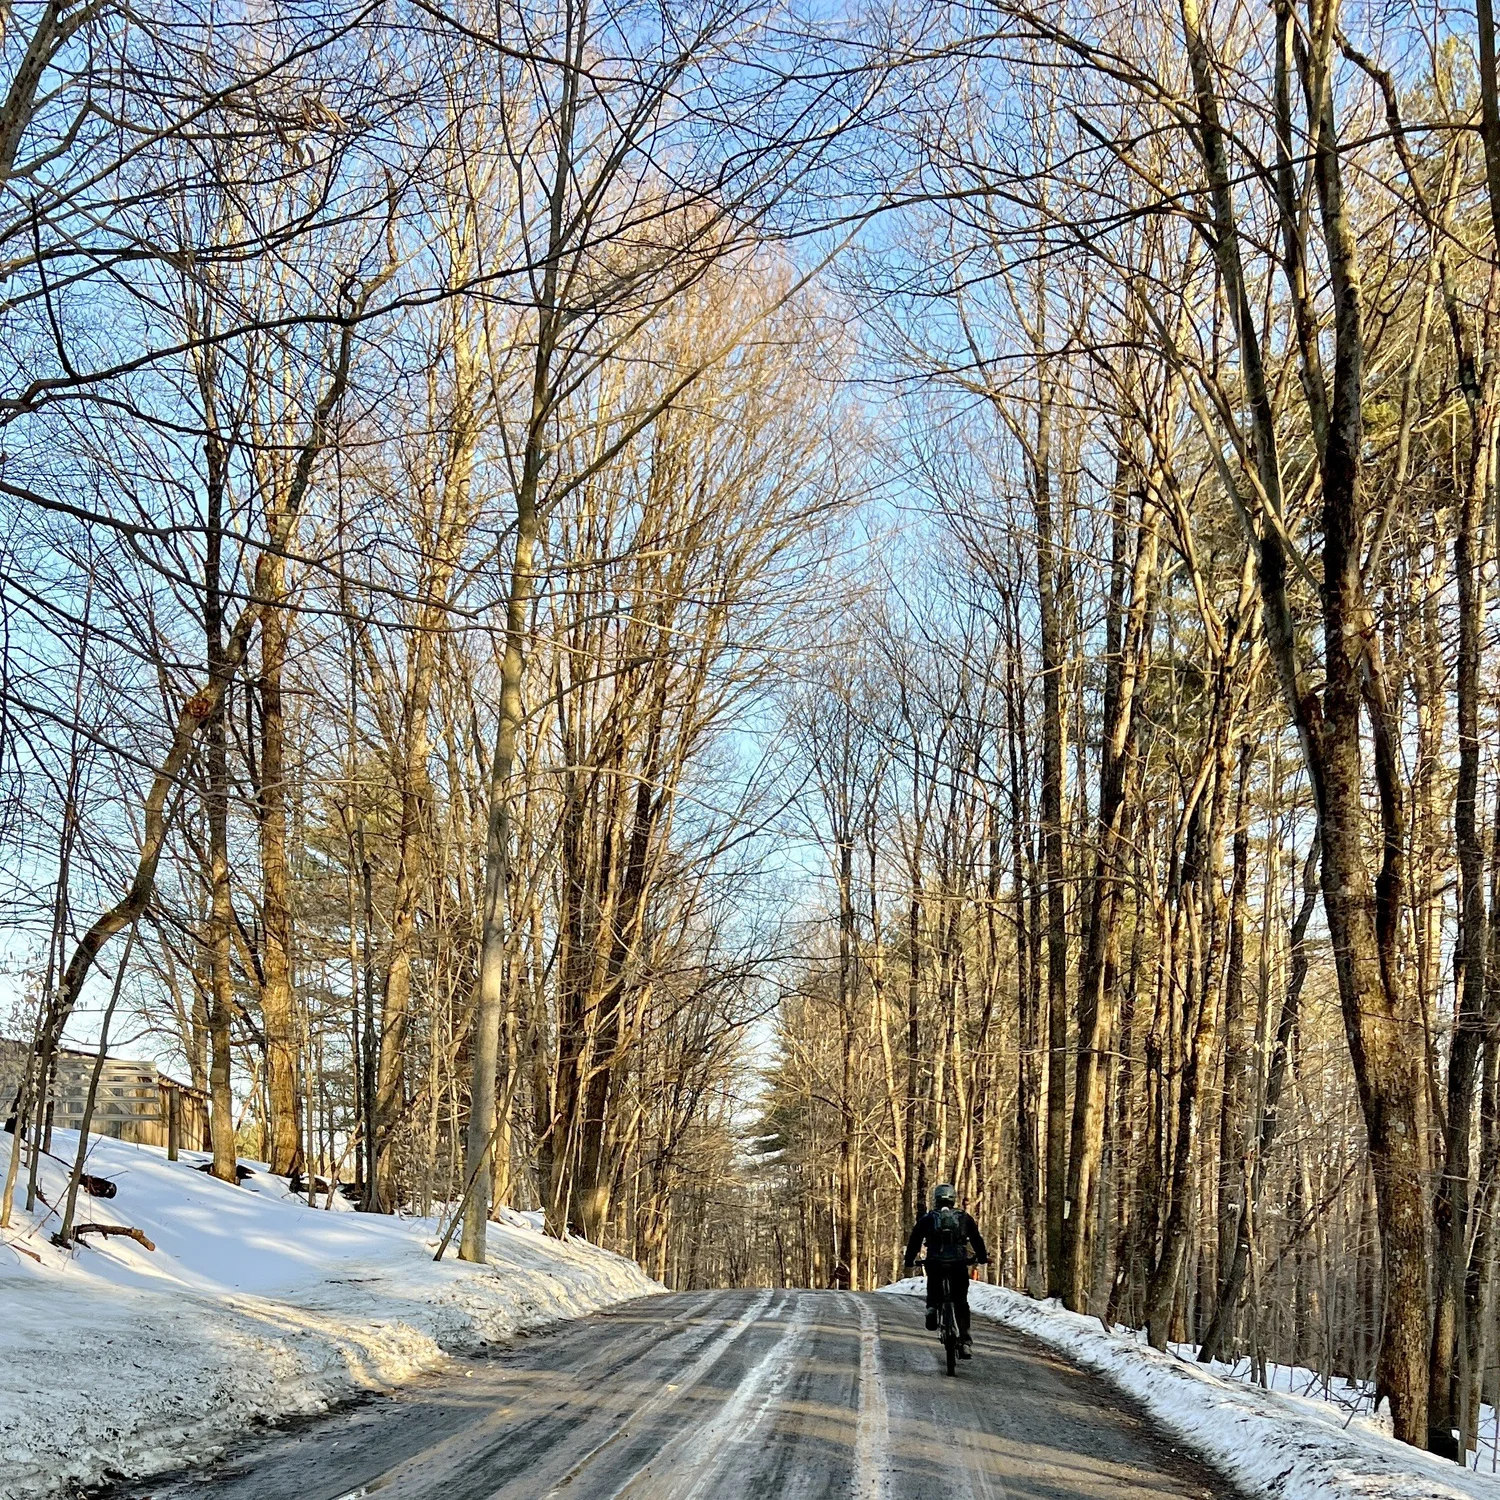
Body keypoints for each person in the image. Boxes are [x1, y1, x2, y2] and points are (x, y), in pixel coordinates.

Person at [904, 1183, 988, 1357]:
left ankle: (932, 1308)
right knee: (961, 1302)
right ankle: (964, 1341)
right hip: (958, 1263)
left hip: (935, 1262)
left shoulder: (928, 1218)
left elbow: (915, 1240)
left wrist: (909, 1260)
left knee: (934, 1287)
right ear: (953, 1199)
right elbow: (977, 1240)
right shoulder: (964, 1218)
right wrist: (981, 1257)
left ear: (935, 1199)